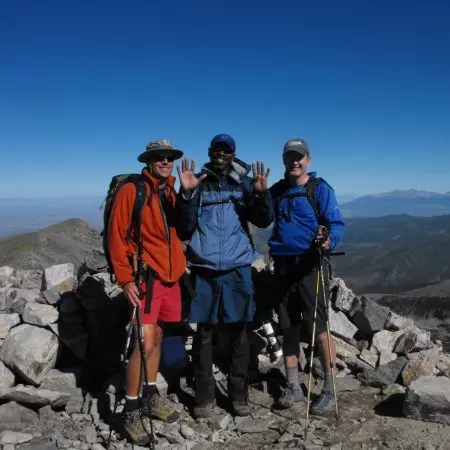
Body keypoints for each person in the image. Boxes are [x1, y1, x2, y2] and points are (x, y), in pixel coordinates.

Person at [176, 133, 274, 418]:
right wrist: (186, 194)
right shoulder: (198, 182)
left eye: (226, 150)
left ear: (233, 154)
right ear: (209, 152)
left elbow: (263, 219)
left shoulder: (243, 182)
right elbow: (183, 228)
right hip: (205, 269)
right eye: (217, 150)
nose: (221, 154)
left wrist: (259, 193)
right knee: (204, 334)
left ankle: (238, 396)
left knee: (239, 333)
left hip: (237, 268)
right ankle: (205, 398)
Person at [107, 140, 185, 444]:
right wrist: (126, 279)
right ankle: (131, 409)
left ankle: (151, 394)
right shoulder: (132, 190)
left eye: (169, 158)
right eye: (159, 158)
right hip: (146, 279)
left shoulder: (169, 191)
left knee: (159, 336)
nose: (165, 162)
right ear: (149, 161)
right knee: (145, 340)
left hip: (170, 277)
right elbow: (116, 235)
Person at [268, 138, 345, 414]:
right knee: (288, 327)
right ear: (284, 161)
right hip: (283, 267)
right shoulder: (276, 191)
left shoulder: (319, 189)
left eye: (299, 157)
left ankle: (329, 388)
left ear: (308, 159)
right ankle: (292, 385)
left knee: (320, 330)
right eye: (290, 157)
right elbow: (263, 216)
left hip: (311, 265)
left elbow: (336, 223)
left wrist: (328, 241)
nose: (295, 162)